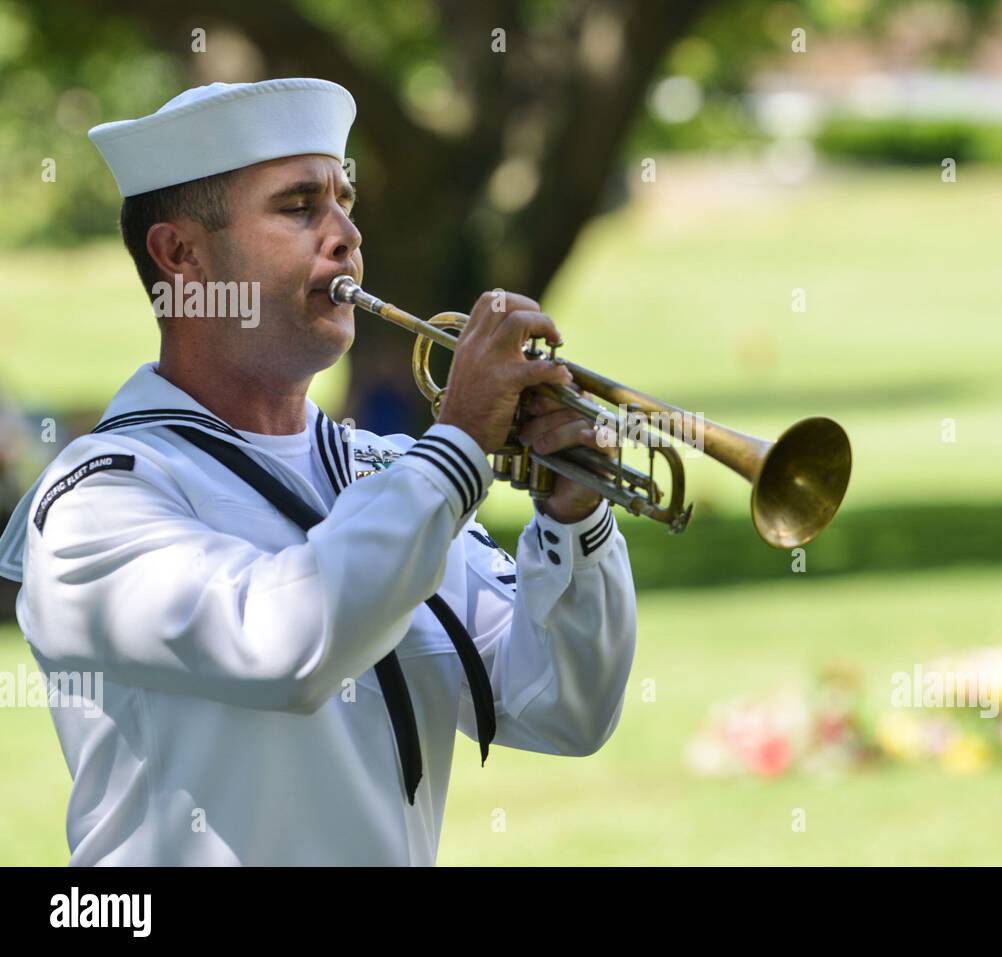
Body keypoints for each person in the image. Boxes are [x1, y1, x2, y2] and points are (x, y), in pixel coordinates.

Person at [0, 78, 637, 865]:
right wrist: (461, 442)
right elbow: (284, 645)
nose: (345, 235)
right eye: (300, 207)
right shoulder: (97, 499)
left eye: (345, 200)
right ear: (183, 255)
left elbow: (562, 707)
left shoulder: (388, 473)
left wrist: (576, 519)